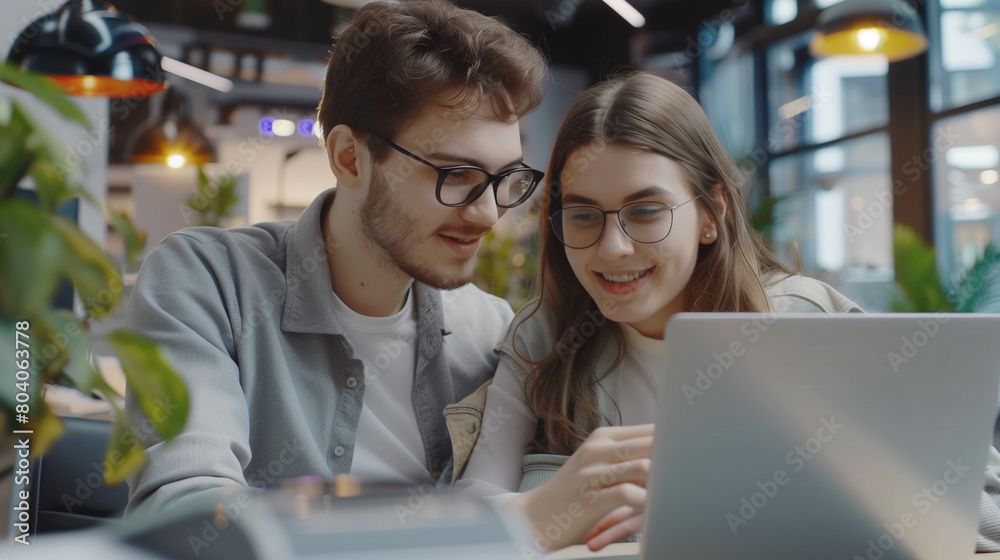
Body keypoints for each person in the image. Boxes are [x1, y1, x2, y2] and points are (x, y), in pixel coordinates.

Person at [123, 0, 551, 515]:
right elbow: (186, 511)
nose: (488, 215)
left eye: (506, 180)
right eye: (454, 174)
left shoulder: (489, 331)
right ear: (349, 158)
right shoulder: (210, 284)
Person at [451, 71, 868, 551]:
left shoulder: (806, 324)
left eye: (646, 211)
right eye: (584, 214)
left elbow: (971, 511)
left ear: (712, 214)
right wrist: (561, 500)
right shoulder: (543, 336)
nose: (613, 248)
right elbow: (470, 514)